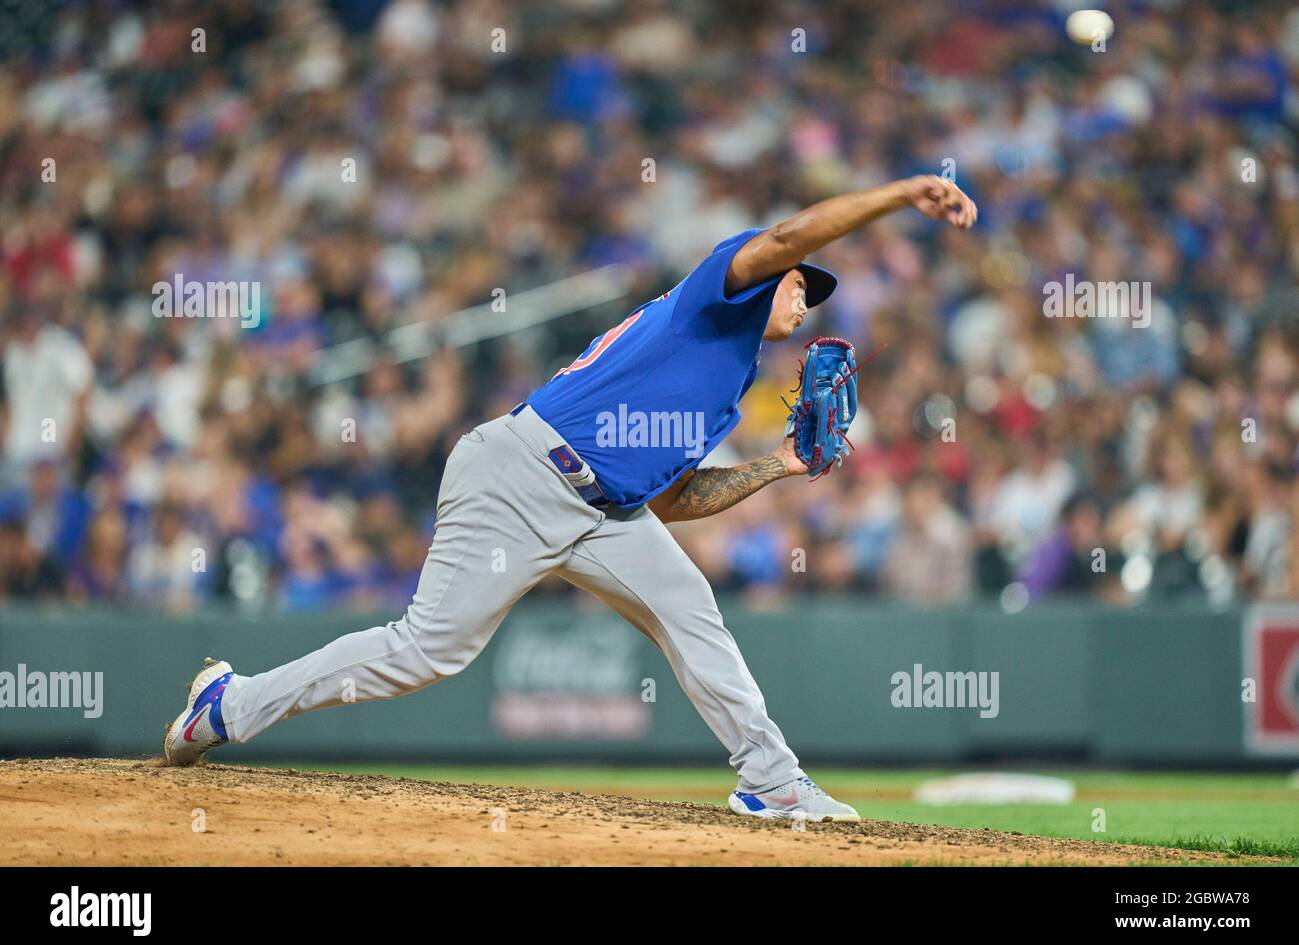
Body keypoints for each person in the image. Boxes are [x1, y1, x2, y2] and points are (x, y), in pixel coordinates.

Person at [163, 175, 978, 821]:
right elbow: (791, 236)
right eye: (803, 286)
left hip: (603, 512)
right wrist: (901, 195)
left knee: (691, 611)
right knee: (426, 651)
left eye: (815, 296)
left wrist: (778, 468)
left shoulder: (725, 387)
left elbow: (673, 502)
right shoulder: (711, 297)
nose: (807, 301)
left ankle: (772, 782)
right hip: (516, 475)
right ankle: (230, 704)